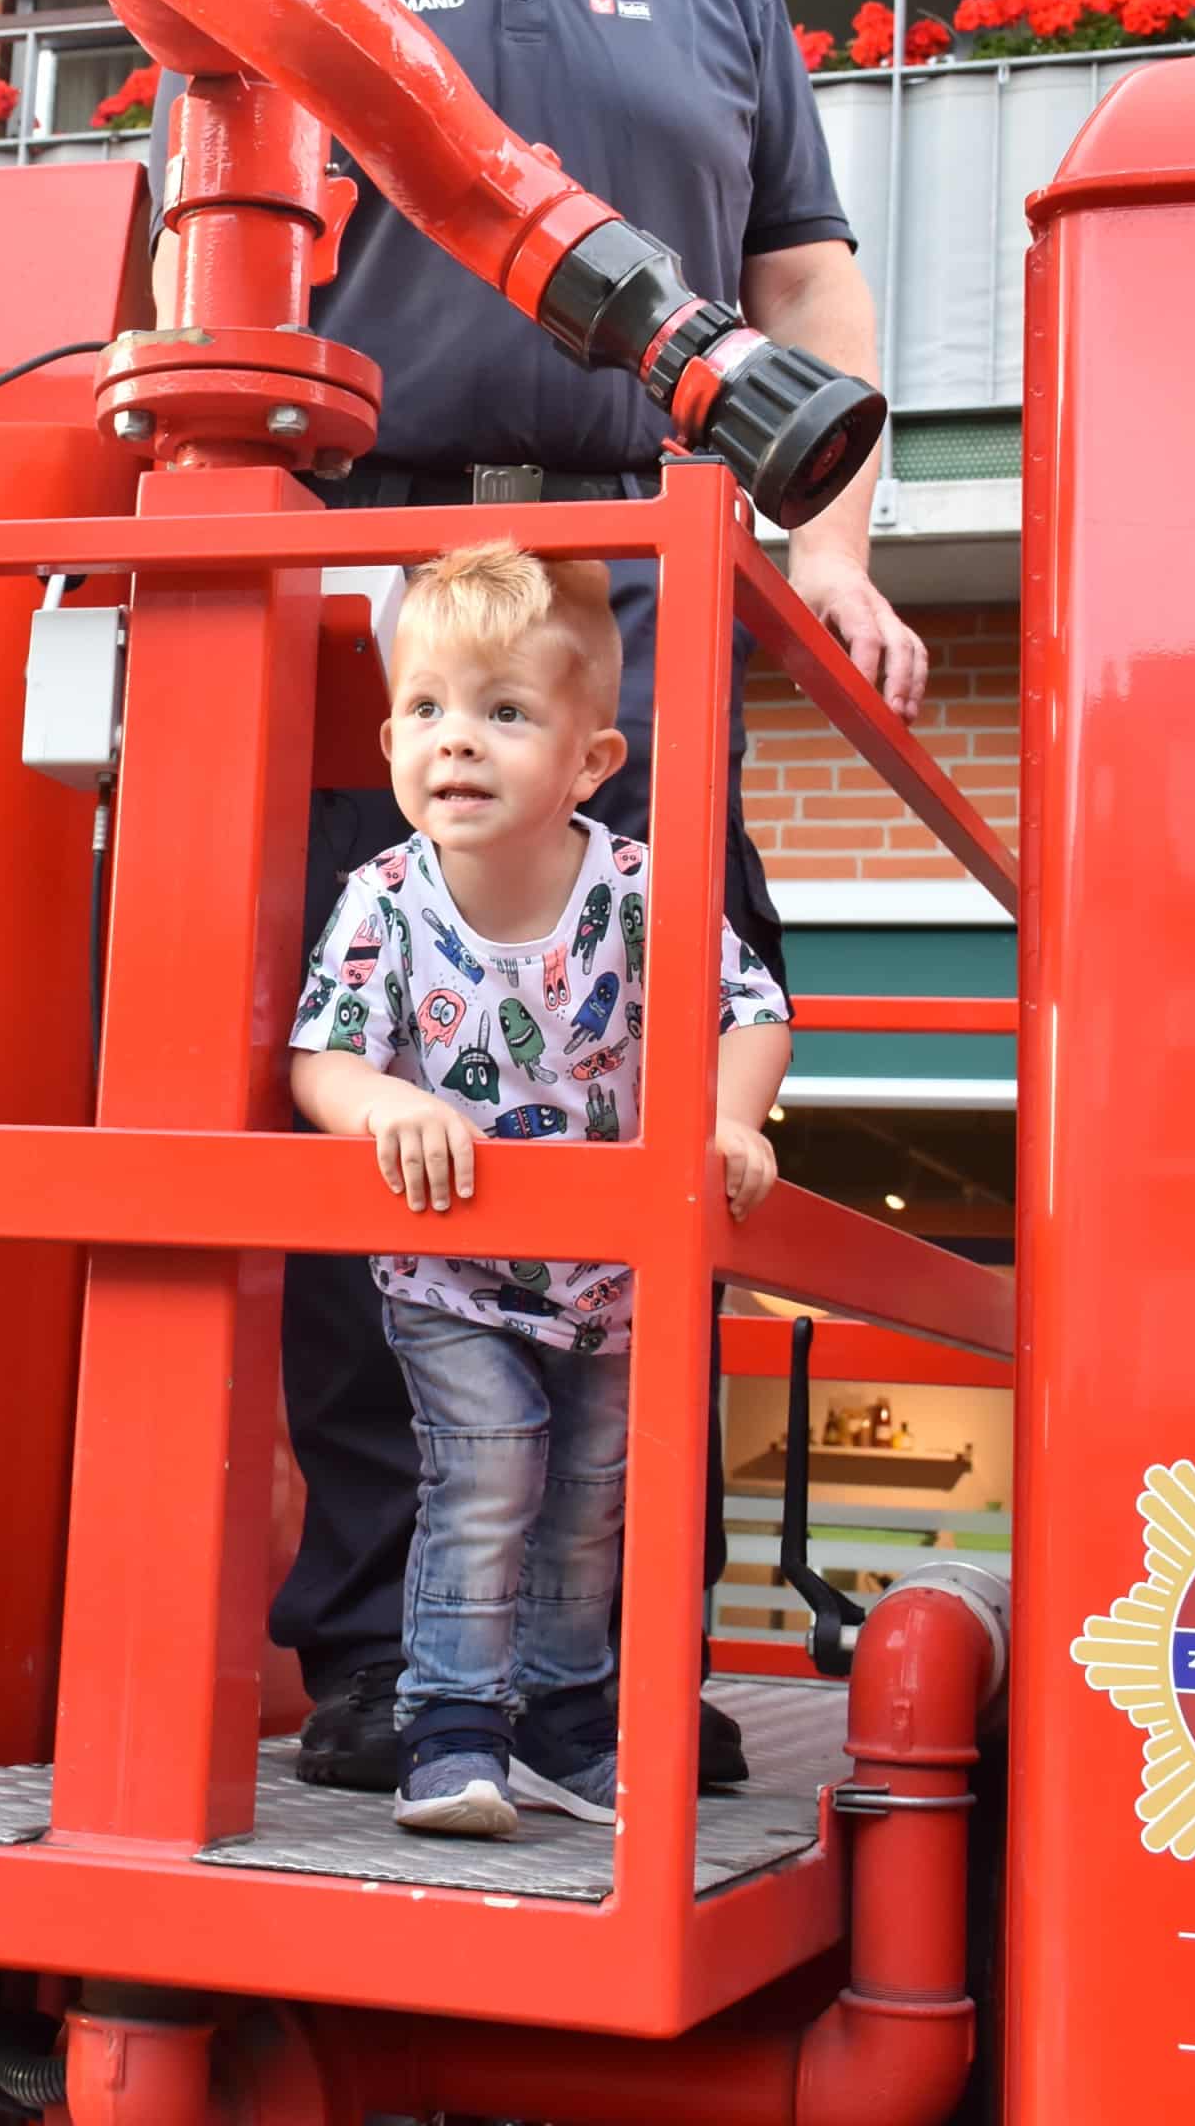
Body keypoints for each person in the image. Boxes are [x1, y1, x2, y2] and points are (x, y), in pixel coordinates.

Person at [149, 0, 927, 1793]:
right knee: (366, 1147)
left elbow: (805, 297)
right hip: (368, 618)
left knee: (660, 1131)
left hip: (654, 601)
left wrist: (844, 546)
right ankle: (398, 1666)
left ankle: (597, 1666)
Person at [289, 542, 789, 1833]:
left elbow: (748, 1008)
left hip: (615, 1276)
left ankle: (566, 1721)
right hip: (452, 1270)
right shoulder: (383, 902)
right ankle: (450, 1732)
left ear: (590, 763)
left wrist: (731, 1118)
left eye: (504, 713)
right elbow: (325, 1055)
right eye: (425, 709)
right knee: (486, 1477)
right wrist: (382, 1101)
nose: (454, 743)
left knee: (587, 1504)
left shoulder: (639, 893)